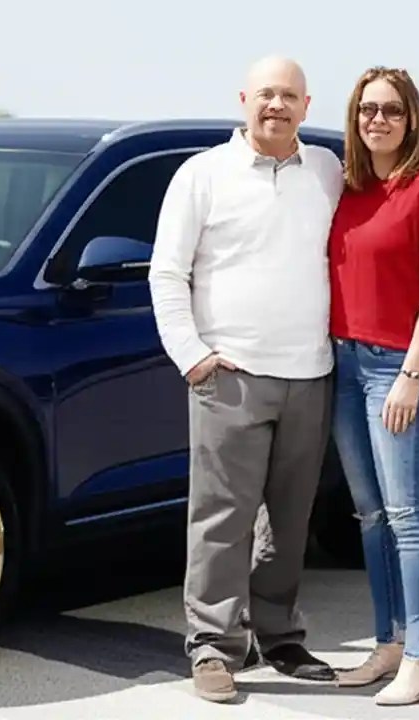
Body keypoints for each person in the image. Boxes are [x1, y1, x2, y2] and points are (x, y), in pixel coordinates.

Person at [148, 55, 346, 703]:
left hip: (309, 373)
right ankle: (212, 646)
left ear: (307, 107)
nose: (276, 106)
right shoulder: (202, 175)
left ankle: (280, 637)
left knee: (290, 522)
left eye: (289, 96)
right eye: (266, 94)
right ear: (244, 100)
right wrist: (192, 355)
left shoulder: (326, 171)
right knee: (221, 522)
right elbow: (166, 273)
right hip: (229, 376)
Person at [326, 66, 419, 706]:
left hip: (398, 369)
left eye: (391, 110)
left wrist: (410, 376)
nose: (377, 119)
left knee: (408, 514)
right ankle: (387, 645)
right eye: (367, 109)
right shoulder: (349, 191)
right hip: (345, 367)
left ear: (412, 120)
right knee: (371, 515)